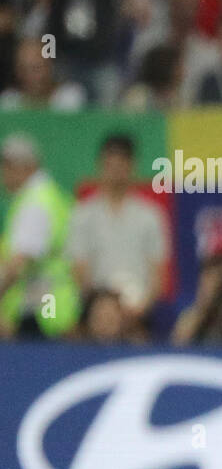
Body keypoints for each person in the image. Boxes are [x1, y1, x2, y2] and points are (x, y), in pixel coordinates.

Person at [65, 134, 169, 334]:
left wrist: (136, 309)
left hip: (138, 312)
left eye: (121, 165)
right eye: (110, 165)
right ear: (101, 166)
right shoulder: (83, 214)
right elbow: (79, 270)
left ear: (132, 167)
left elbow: (158, 274)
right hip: (96, 311)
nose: (116, 172)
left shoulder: (151, 215)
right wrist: (101, 307)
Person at [0, 133, 78, 338]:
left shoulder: (35, 202)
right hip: (49, 303)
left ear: (26, 166)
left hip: (43, 305)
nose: (3, 174)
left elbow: (19, 263)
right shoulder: (47, 194)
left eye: (7, 166)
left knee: (41, 359)